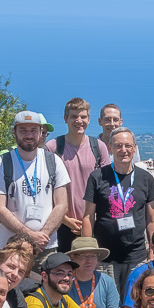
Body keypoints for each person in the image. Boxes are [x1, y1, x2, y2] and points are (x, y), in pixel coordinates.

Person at [0, 110, 67, 253]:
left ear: (41, 131)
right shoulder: (1, 163)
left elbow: (62, 205)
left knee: (47, 276)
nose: (29, 135)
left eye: (33, 130)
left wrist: (43, 236)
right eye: (23, 130)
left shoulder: (54, 161)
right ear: (14, 132)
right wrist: (30, 236)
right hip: (11, 247)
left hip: (46, 246)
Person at [84, 129, 154, 277]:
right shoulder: (97, 177)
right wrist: (89, 253)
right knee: (108, 300)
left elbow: (151, 219)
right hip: (105, 257)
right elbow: (88, 217)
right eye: (118, 146)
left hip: (137, 257)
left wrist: (152, 251)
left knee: (134, 299)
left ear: (134, 147)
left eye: (128, 146)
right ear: (110, 148)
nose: (123, 150)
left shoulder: (146, 178)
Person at [48, 98, 112, 253]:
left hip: (94, 222)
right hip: (61, 225)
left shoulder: (99, 147)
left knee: (91, 269)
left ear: (89, 119)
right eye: (74, 116)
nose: (79, 121)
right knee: (63, 274)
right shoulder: (53, 148)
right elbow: (46, 190)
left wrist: (91, 220)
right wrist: (66, 220)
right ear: (65, 119)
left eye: (83, 117)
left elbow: (107, 188)